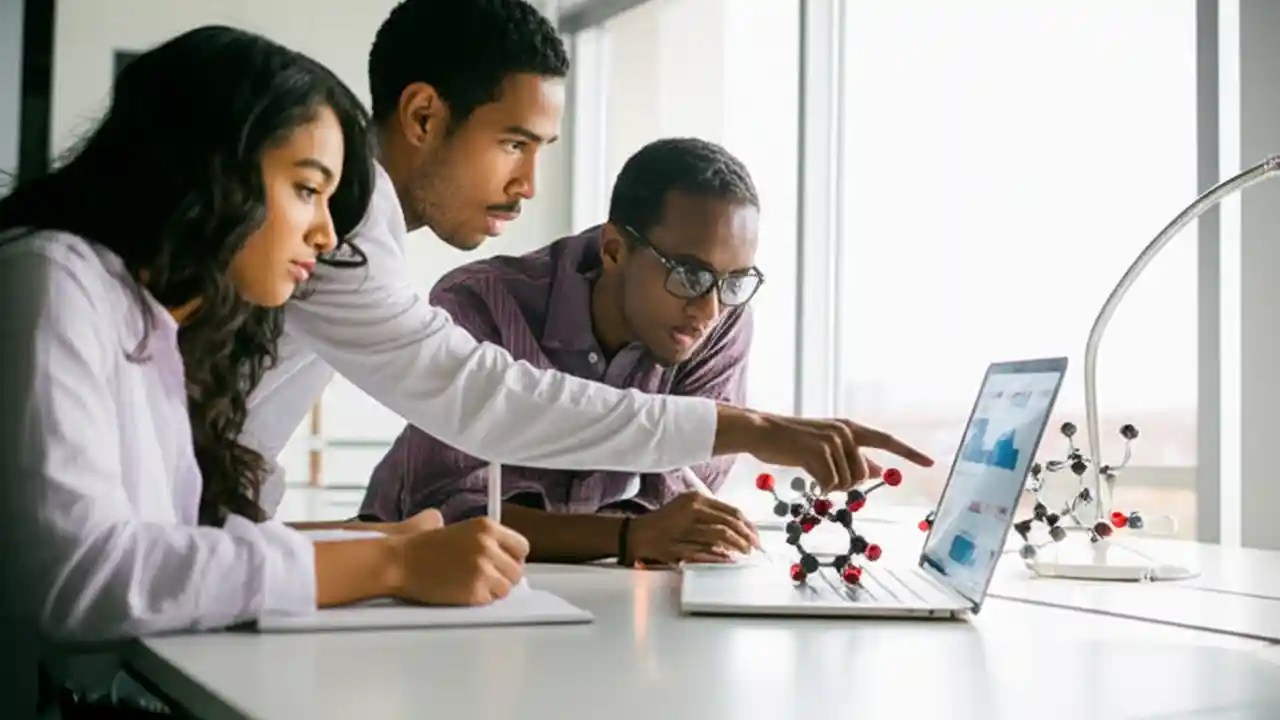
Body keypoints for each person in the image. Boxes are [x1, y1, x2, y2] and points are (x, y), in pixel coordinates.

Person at [243, 0, 935, 540]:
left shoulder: (355, 226)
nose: (529, 186)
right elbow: (485, 398)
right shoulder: (350, 226)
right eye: (514, 144)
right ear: (423, 114)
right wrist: (749, 429)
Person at [0, 25, 528, 714]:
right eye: (308, 190)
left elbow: (170, 544)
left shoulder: (154, 323)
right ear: (211, 165)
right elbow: (81, 577)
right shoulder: (51, 278)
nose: (328, 235)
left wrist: (368, 539)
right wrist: (388, 565)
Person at [361, 137, 773, 566]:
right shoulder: (480, 303)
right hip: (414, 577)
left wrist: (636, 534)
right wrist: (628, 535)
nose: (709, 308)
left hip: (608, 584)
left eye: (734, 282)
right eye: (689, 275)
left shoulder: (721, 317)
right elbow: (448, 512)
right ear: (614, 250)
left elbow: (680, 503)